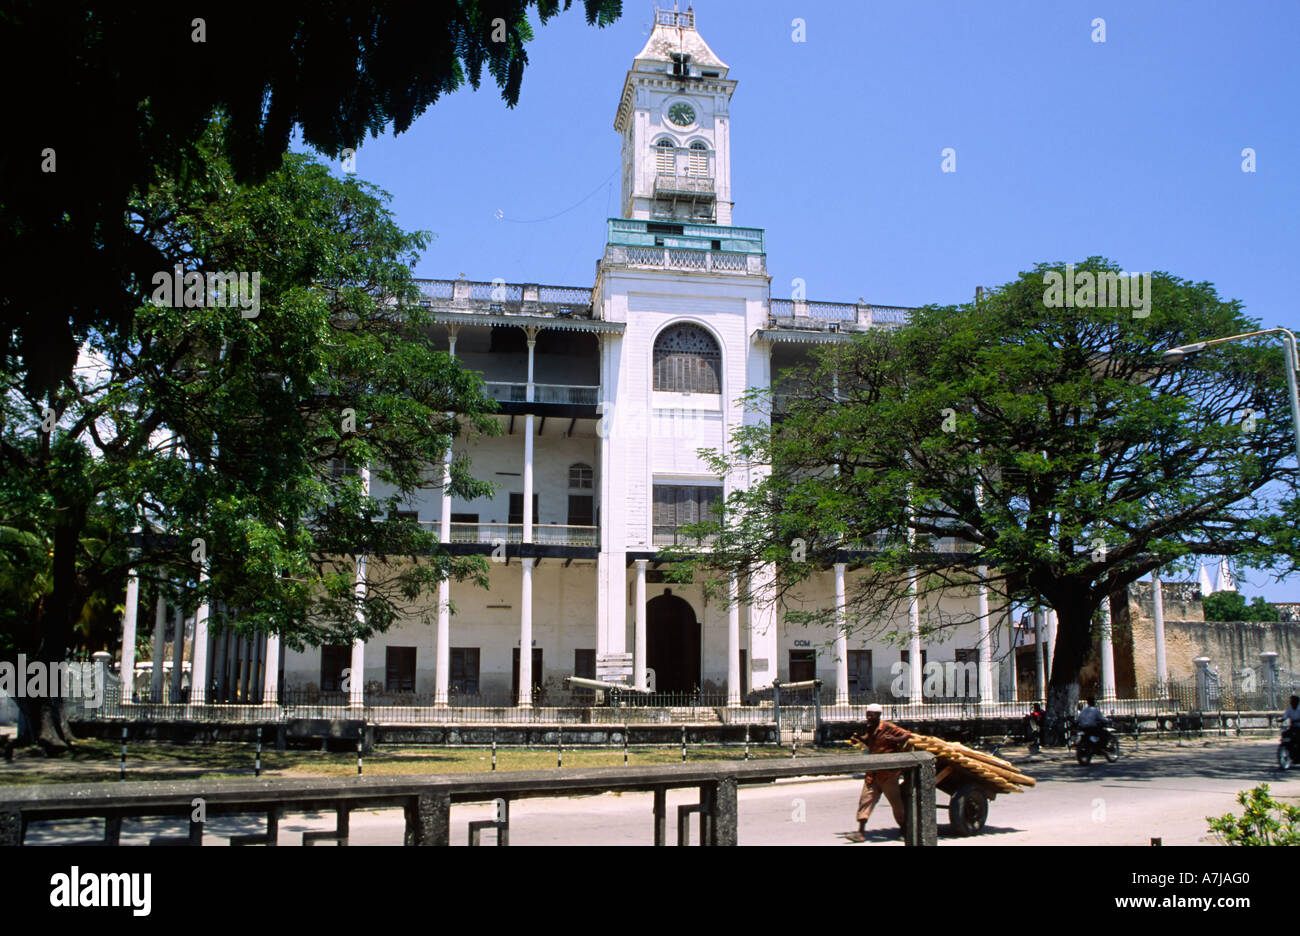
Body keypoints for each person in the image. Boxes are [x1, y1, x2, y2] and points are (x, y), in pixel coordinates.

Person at [848, 704, 914, 842]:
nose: (869, 717)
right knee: (865, 800)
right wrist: (859, 738)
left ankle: (904, 830)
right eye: (867, 714)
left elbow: (908, 735)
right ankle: (860, 832)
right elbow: (869, 741)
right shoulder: (870, 728)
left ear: (879, 715)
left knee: (897, 804)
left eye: (871, 715)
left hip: (888, 774)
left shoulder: (889, 728)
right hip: (873, 773)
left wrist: (895, 740)